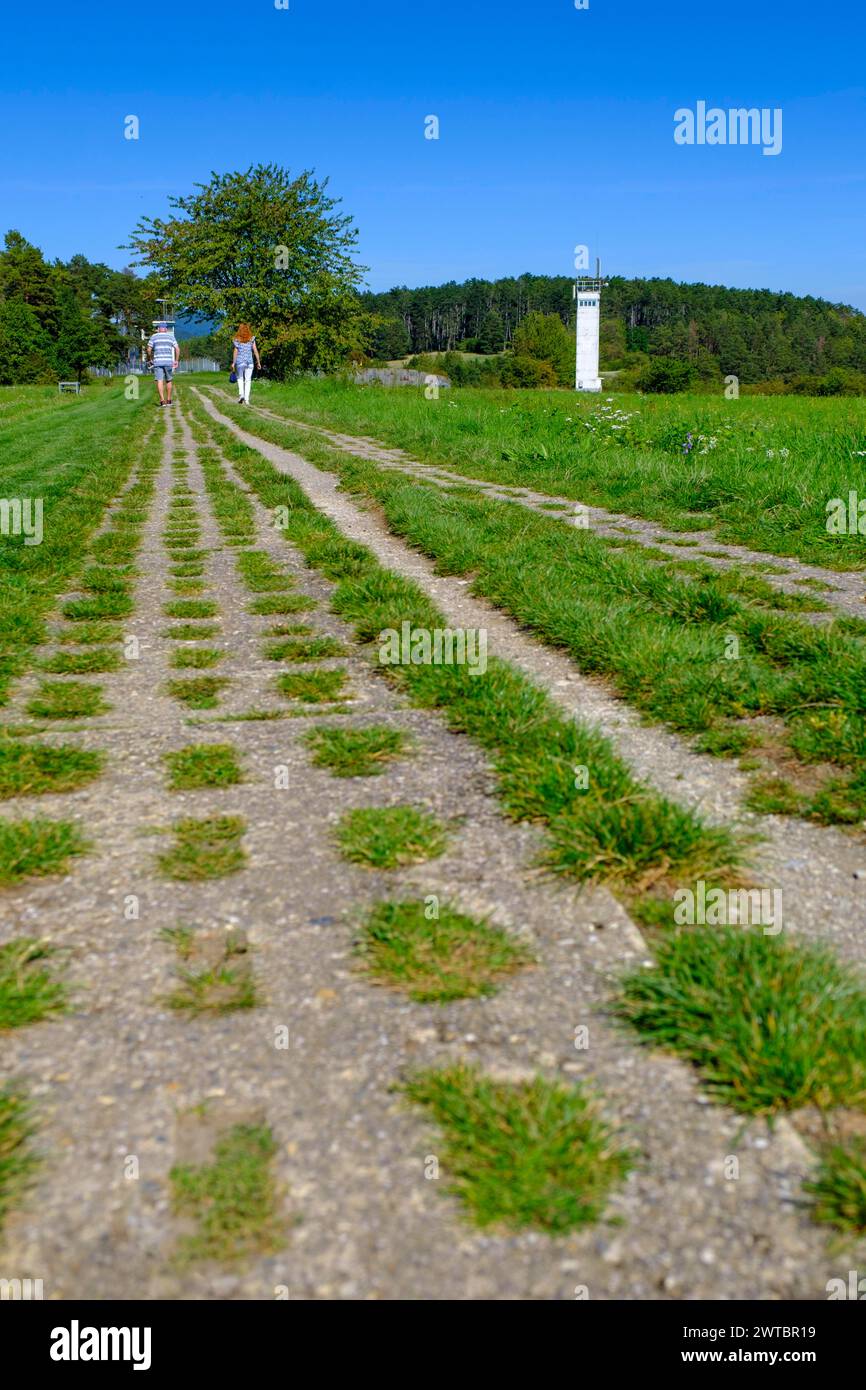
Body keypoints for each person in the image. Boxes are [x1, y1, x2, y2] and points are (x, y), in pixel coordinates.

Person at [146, 322, 180, 406]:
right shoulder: (171, 336)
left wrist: (150, 359)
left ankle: (162, 401)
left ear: (158, 329)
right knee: (169, 380)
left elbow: (148, 350)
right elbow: (177, 349)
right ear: (166, 329)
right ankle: (169, 400)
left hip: (158, 362)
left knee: (159, 380)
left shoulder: (154, 336)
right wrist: (176, 360)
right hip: (168, 362)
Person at [231, 324, 262, 405]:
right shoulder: (252, 339)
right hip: (249, 362)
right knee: (248, 380)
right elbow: (255, 351)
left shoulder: (237, 339)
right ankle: (247, 400)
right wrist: (258, 362)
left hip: (240, 362)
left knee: (240, 378)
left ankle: (241, 395)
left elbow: (235, 351)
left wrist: (233, 363)